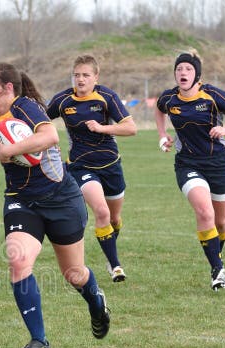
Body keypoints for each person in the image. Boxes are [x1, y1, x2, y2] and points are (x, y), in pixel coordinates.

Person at [0, 62, 110, 348]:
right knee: (18, 259)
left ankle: (95, 299)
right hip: (21, 201)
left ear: (9, 88)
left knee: (74, 274)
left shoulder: (25, 107)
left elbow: (50, 136)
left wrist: (12, 149)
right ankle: (39, 341)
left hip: (61, 198)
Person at [155, 49, 225, 291]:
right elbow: (159, 109)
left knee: (220, 221)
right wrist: (162, 134)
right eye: (179, 69)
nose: (182, 73)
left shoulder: (212, 95)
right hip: (187, 163)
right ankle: (217, 271)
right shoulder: (169, 98)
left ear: (196, 74)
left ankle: (215, 258)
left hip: (218, 163)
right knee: (204, 213)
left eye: (187, 69)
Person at [47, 55, 136, 283]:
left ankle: (110, 253)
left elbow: (130, 128)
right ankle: (116, 266)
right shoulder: (63, 101)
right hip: (80, 166)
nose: (80, 79)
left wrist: (102, 128)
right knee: (102, 211)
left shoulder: (106, 97)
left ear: (96, 77)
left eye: (86, 75)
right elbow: (40, 121)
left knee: (114, 218)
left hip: (111, 165)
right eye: (76, 75)